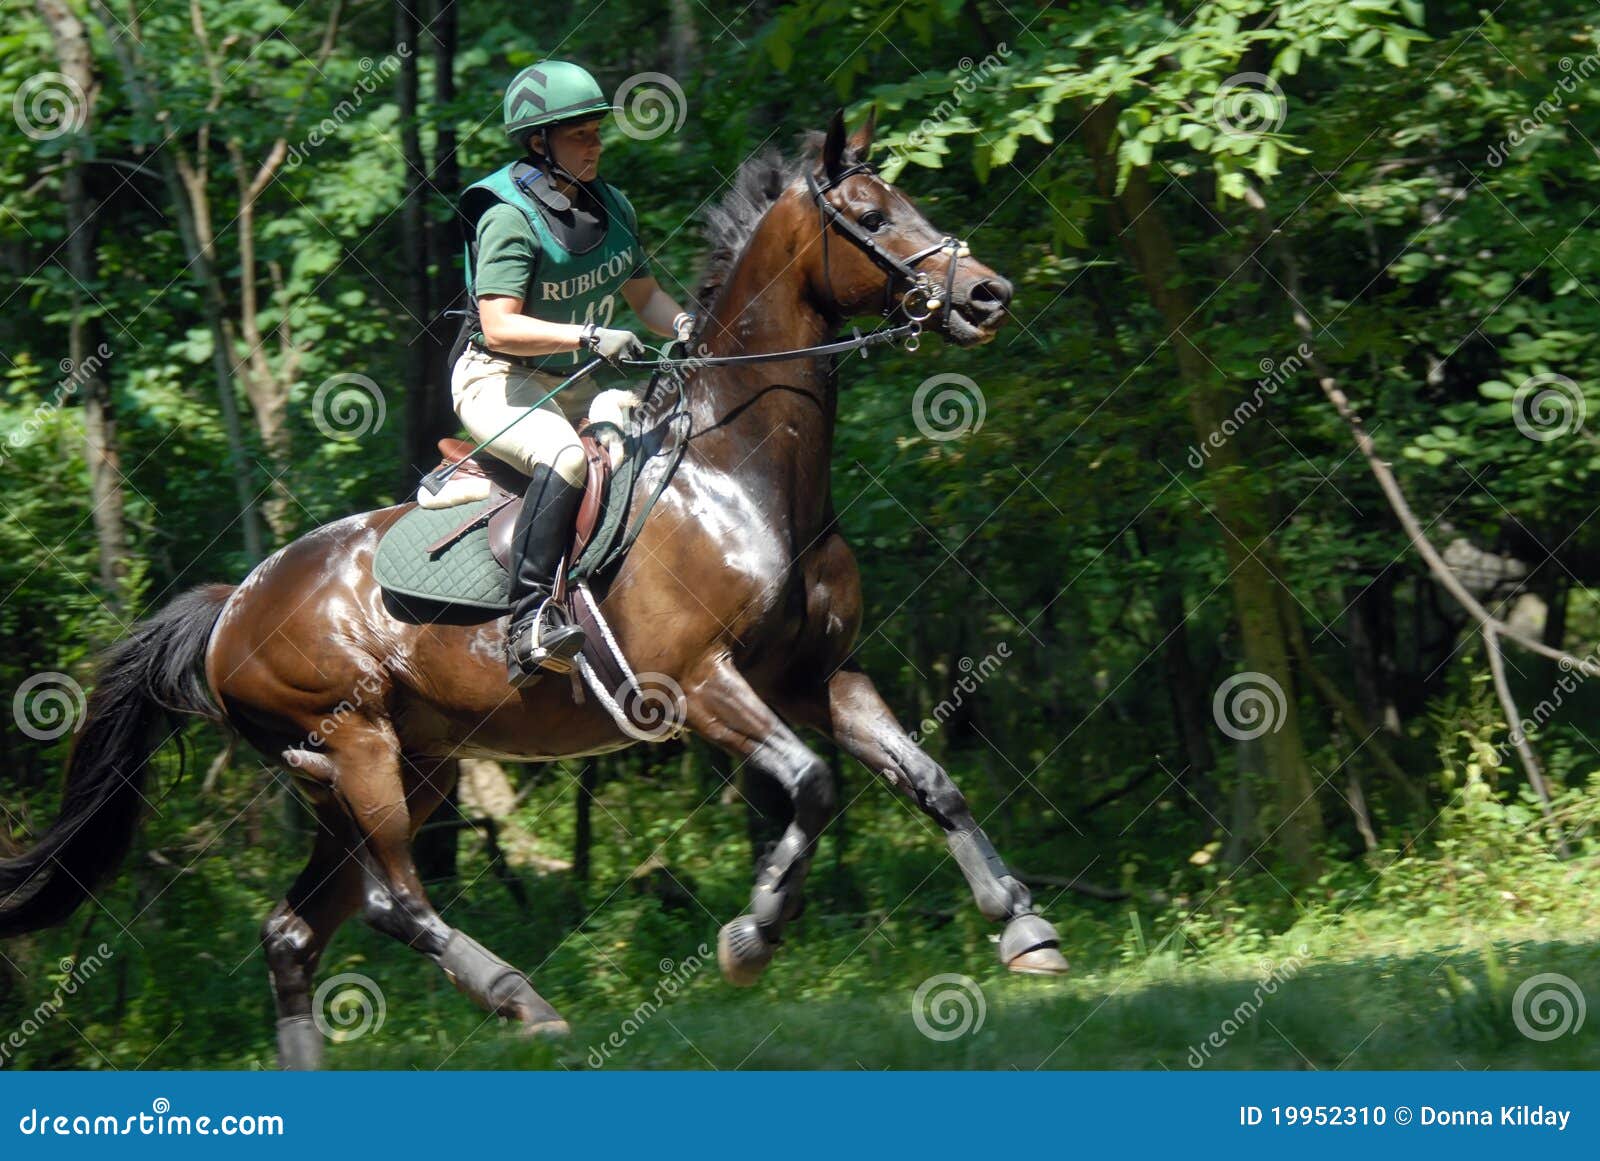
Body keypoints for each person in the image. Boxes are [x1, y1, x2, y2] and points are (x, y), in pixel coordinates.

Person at [450, 60, 695, 687]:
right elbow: (500, 325)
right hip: (497, 378)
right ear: (540, 143)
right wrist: (586, 334)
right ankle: (529, 620)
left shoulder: (612, 206)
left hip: (575, 384)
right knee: (564, 458)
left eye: (595, 131)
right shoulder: (507, 216)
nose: (596, 144)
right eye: (580, 135)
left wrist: (691, 327)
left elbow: (646, 300)